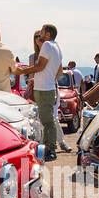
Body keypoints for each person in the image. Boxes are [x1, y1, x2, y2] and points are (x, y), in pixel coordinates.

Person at [21, 23, 66, 158]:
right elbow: (57, 71)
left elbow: (40, 66)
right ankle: (48, 147)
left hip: (44, 89)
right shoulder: (56, 46)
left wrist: (22, 71)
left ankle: (50, 149)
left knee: (47, 121)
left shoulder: (47, 46)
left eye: (41, 31)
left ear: (47, 34)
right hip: (48, 87)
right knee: (47, 120)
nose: (39, 34)